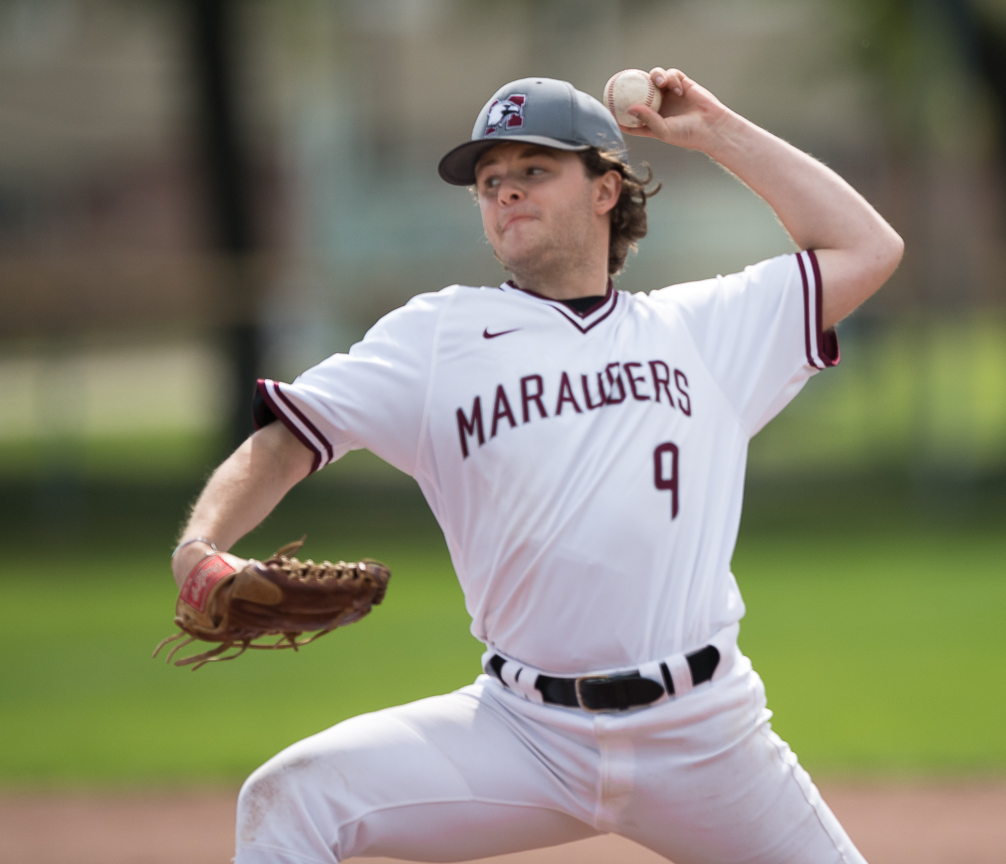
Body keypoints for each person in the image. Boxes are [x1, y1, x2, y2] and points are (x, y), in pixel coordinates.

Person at [170, 70, 903, 864]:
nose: (505, 192)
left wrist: (714, 131)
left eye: (534, 170)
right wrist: (199, 544)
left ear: (604, 190)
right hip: (525, 732)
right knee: (290, 797)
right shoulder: (437, 338)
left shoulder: (704, 330)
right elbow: (284, 441)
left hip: (705, 735)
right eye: (489, 182)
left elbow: (868, 247)